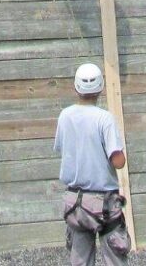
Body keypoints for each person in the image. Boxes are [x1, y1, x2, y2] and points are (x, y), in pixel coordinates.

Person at [54, 63, 129, 266]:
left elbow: (64, 149)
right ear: (101, 88)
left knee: (80, 260)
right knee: (115, 257)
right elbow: (118, 161)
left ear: (76, 87)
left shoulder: (65, 116)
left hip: (74, 201)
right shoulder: (105, 119)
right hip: (103, 201)